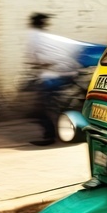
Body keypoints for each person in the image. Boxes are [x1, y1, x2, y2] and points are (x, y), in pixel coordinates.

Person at [24, 12, 83, 145]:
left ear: (32, 23)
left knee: (41, 110)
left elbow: (33, 60)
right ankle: (69, 128)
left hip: (52, 78)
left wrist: (40, 65)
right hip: (69, 75)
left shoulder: (33, 36)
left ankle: (49, 136)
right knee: (60, 106)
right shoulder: (49, 37)